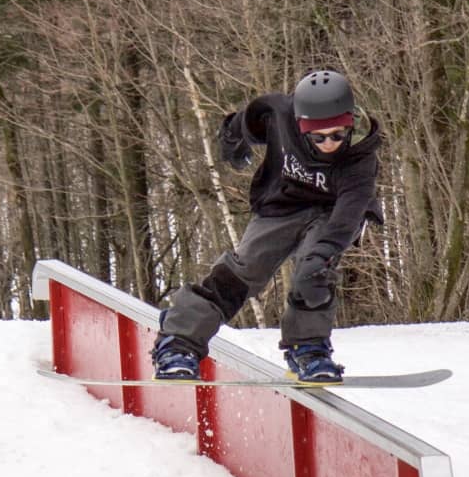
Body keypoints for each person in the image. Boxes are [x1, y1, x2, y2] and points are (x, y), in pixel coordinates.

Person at [152, 69, 383, 383]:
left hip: (332, 216)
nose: (329, 143)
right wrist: (233, 141)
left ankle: (309, 348)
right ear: (301, 126)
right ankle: (178, 343)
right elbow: (244, 121)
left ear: (350, 122)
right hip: (281, 206)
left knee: (313, 272)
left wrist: (324, 254)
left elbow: (347, 215)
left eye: (338, 134)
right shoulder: (279, 113)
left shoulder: (361, 157)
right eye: (318, 136)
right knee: (242, 270)